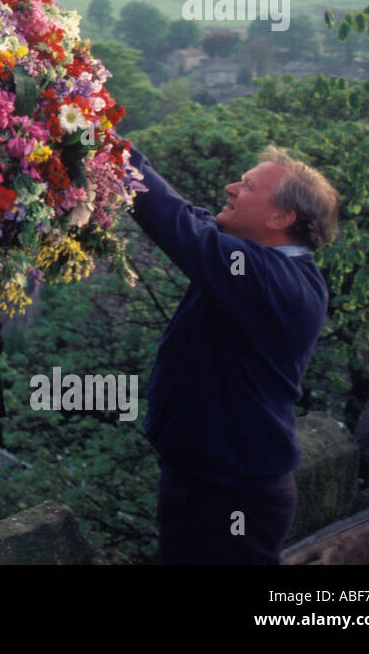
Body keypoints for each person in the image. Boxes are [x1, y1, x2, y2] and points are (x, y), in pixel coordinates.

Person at [120, 138, 340, 564]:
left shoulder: (273, 281)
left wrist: (110, 149)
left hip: (233, 495)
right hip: (202, 478)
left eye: (248, 186)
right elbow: (193, 221)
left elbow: (178, 225)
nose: (230, 187)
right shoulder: (257, 264)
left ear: (282, 217)